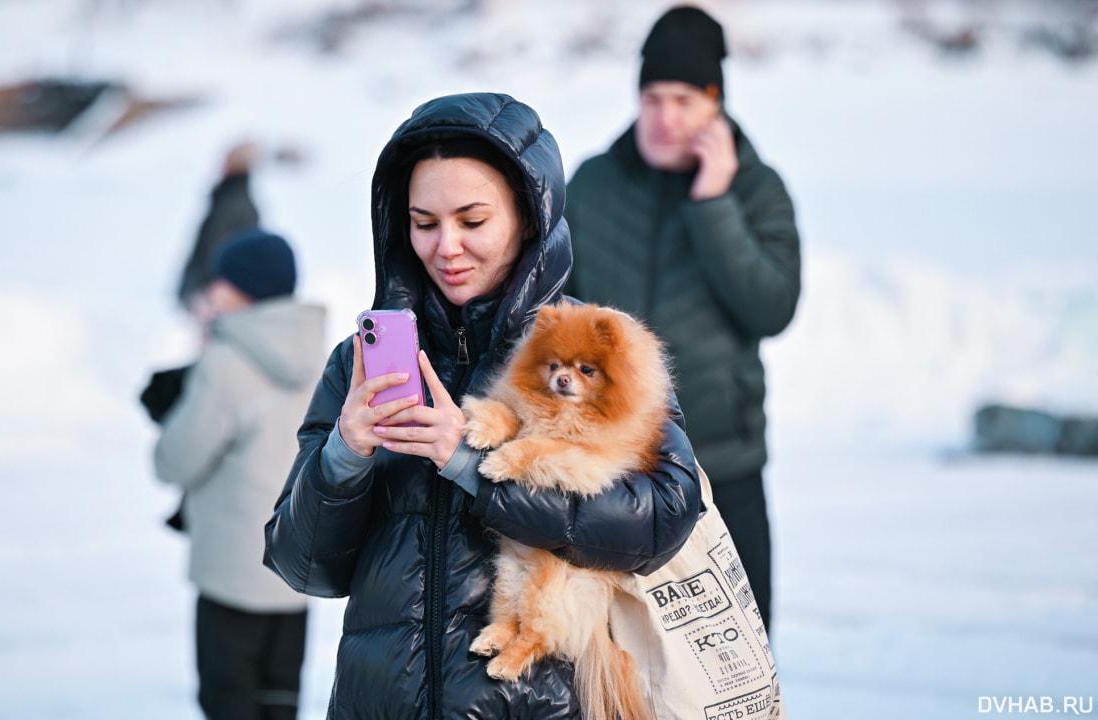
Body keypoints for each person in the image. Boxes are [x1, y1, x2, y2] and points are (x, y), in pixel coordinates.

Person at [263, 92, 702, 718]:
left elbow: (661, 519)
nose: (446, 247)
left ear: (528, 216)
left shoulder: (587, 350)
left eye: (472, 221)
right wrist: (345, 454)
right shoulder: (360, 364)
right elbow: (302, 565)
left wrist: (470, 462)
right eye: (423, 223)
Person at [563, 5, 801, 630]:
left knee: (737, 660)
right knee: (618, 669)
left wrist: (714, 201)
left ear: (715, 106)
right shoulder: (592, 184)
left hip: (724, 468)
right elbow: (554, 315)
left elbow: (773, 306)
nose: (666, 118)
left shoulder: (756, 189)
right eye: (653, 98)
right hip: (613, 471)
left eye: (685, 100)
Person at [154, 229, 326, 720]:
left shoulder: (226, 360)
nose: (212, 290)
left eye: (223, 282)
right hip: (293, 569)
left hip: (231, 576)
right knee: (278, 702)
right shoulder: (319, 356)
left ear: (246, 290)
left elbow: (175, 460)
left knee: (228, 702)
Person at [178, 143, 263, 325]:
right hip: (210, 293)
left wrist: (211, 296)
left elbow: (220, 253)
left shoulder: (234, 204)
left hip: (213, 298)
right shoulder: (227, 199)